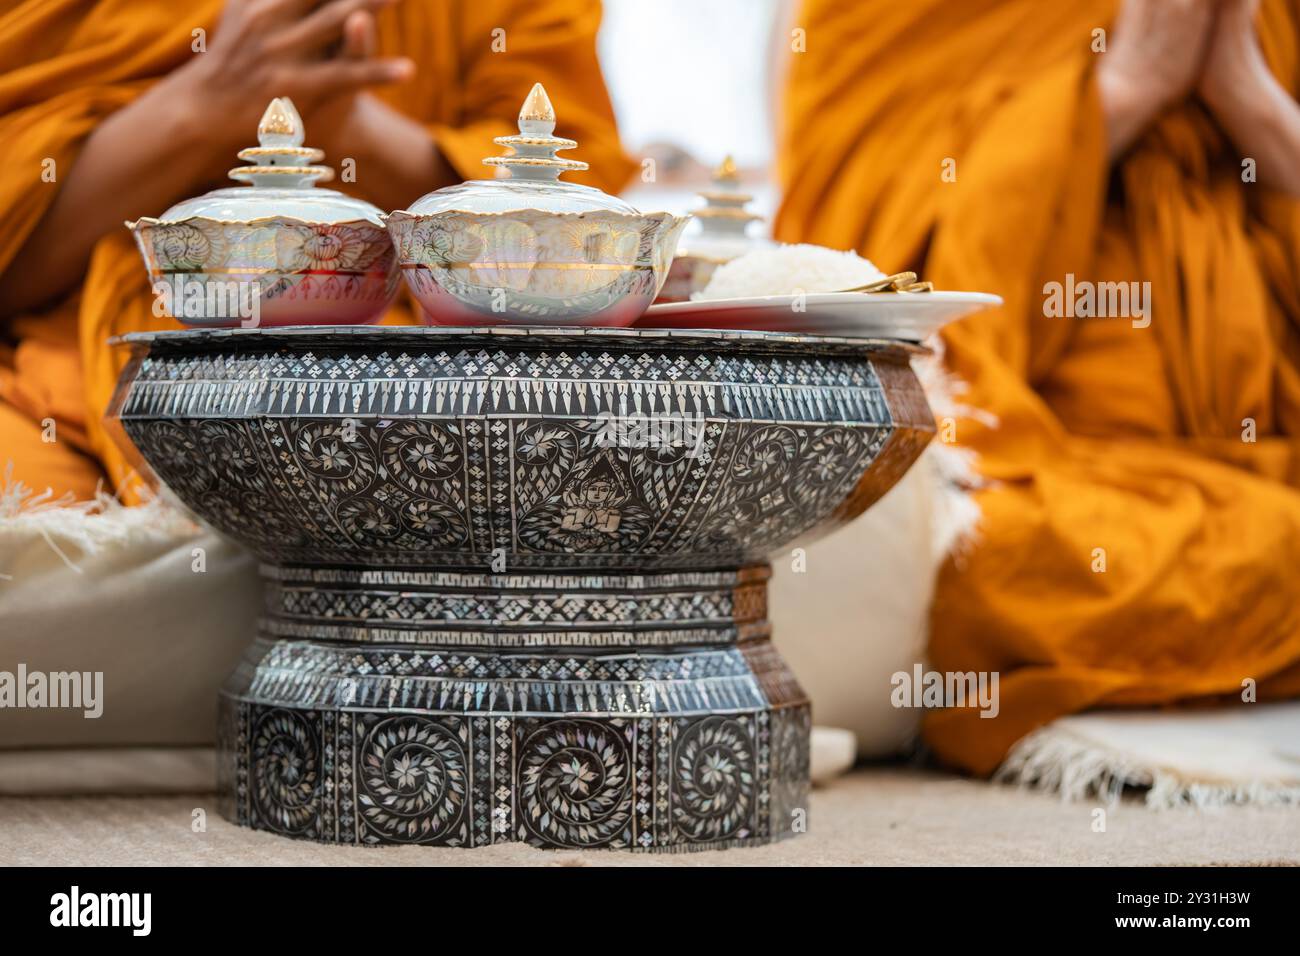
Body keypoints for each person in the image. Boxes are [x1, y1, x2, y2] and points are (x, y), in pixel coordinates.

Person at [776, 0, 1300, 775]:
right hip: (1032, 459)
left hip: (1262, 447)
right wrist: (1123, 91)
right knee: (983, 566)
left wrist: (1251, 100)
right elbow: (906, 308)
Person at [0, 0, 633, 502]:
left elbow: (566, 235)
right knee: (37, 518)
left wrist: (345, 126)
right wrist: (203, 108)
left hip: (421, 370)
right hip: (59, 377)